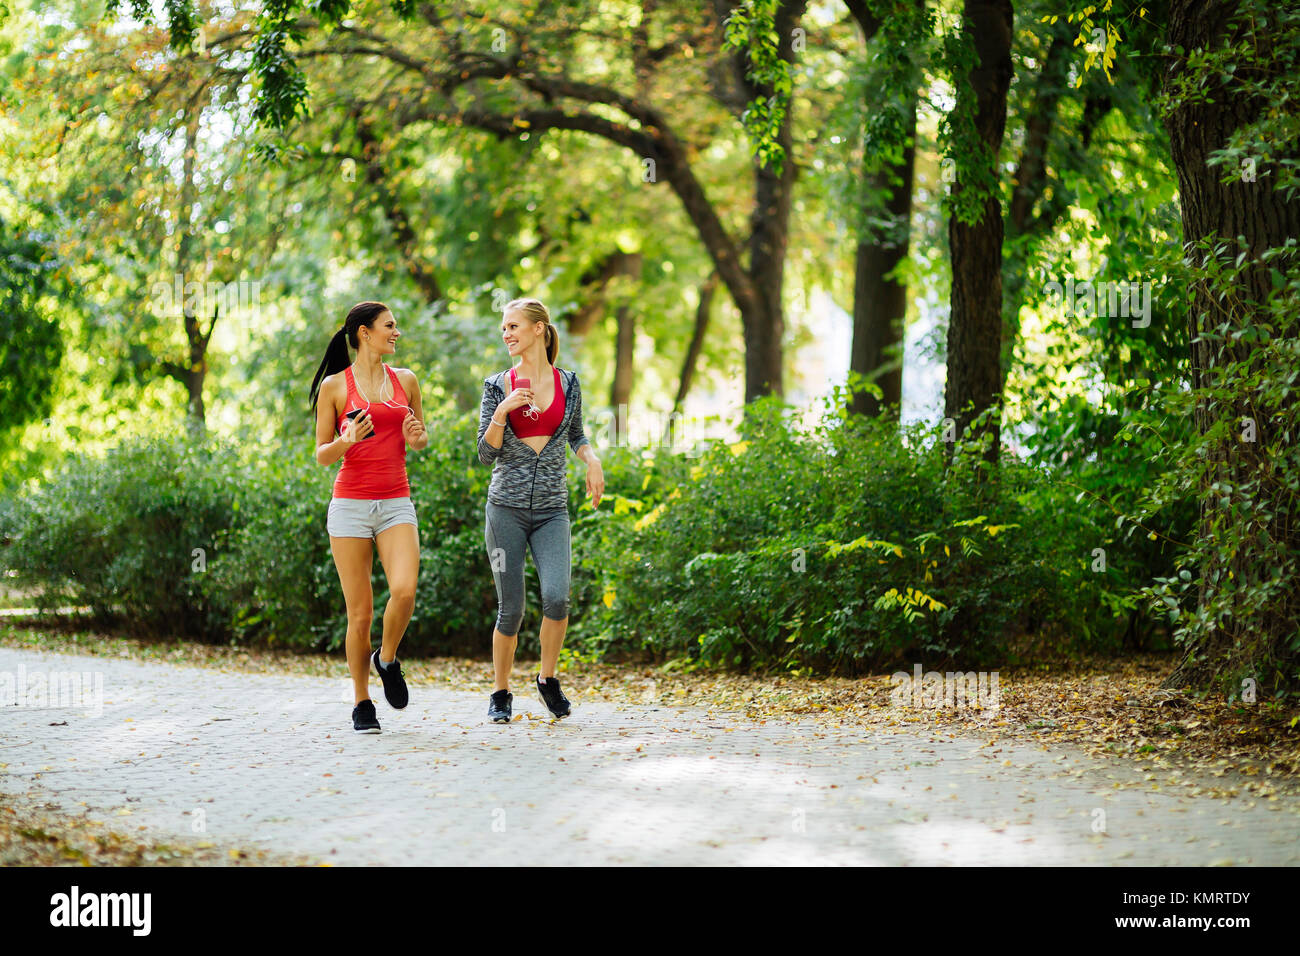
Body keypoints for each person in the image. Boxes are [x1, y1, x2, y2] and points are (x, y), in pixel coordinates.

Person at [476, 297, 604, 723]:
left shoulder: (568, 383)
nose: (506, 334)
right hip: (504, 512)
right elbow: (484, 454)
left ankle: (547, 680)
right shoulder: (497, 384)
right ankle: (500, 692)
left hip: (553, 511)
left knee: (557, 597)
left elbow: (577, 435)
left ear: (538, 329)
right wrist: (502, 412)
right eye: (503, 329)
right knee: (510, 608)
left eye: (513, 326)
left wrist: (592, 460)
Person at [309, 301, 428, 733]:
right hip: (351, 506)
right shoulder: (335, 387)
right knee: (359, 614)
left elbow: (418, 438)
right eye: (389, 326)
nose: (396, 332)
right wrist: (346, 439)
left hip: (396, 499)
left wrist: (417, 437)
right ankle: (361, 701)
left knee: (405, 590)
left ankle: (388, 658)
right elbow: (323, 455)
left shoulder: (407, 381)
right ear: (364, 332)